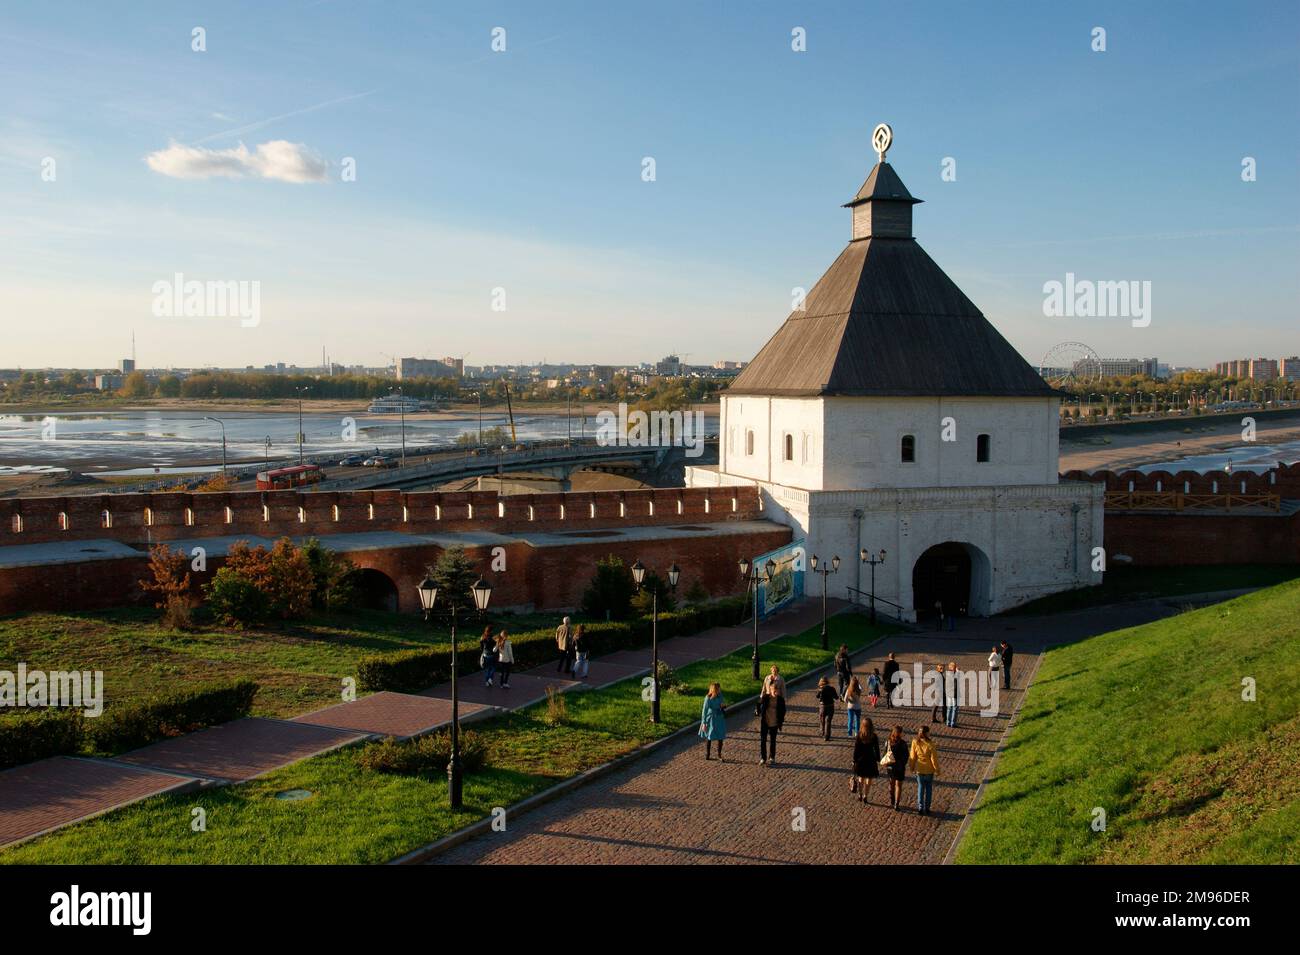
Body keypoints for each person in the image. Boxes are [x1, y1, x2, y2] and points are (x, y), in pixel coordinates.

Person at [757, 666, 786, 767]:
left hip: (774, 721)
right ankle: (763, 757)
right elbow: (759, 702)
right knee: (763, 740)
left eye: (775, 690)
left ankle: (772, 757)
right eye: (772, 690)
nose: (774, 692)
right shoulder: (765, 697)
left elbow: (783, 710)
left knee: (773, 740)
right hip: (765, 721)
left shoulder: (780, 700)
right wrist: (758, 710)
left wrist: (781, 719)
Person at [908, 724, 940, 815]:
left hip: (919, 770)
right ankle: (927, 808)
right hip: (929, 770)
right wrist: (937, 770)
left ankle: (920, 808)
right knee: (929, 789)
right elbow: (934, 759)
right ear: (926, 733)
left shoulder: (915, 742)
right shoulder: (931, 744)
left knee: (920, 788)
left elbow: (912, 756)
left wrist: (911, 767)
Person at [851, 717, 881, 804]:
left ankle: (860, 794)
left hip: (861, 760)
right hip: (871, 760)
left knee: (861, 778)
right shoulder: (874, 736)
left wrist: (854, 760)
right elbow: (877, 749)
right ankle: (865, 796)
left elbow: (856, 750)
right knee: (869, 779)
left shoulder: (859, 736)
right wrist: (878, 758)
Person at [884, 724, 909, 810]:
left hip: (890, 766)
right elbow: (906, 756)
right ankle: (896, 804)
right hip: (899, 767)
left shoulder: (888, 742)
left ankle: (892, 798)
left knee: (891, 783)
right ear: (900, 733)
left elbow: (885, 753)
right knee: (898, 786)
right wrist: (902, 764)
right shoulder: (903, 744)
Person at [699, 682, 726, 761]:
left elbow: (722, 704)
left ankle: (719, 755)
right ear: (715, 690)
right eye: (718, 689)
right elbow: (704, 711)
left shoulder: (720, 696)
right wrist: (704, 723)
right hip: (711, 719)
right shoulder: (708, 698)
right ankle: (708, 754)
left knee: (720, 736)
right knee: (709, 736)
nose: (719, 690)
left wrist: (723, 706)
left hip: (719, 718)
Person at [815, 676, 837, 741]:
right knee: (828, 721)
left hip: (823, 706)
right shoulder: (832, 688)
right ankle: (827, 736)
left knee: (822, 720)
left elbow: (817, 696)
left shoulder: (821, 689)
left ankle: (822, 732)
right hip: (830, 706)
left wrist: (820, 690)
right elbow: (836, 697)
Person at [944, 661, 959, 726]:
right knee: (954, 709)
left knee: (949, 708)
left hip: (948, 694)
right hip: (954, 694)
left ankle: (948, 722)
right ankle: (953, 723)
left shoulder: (947, 674)